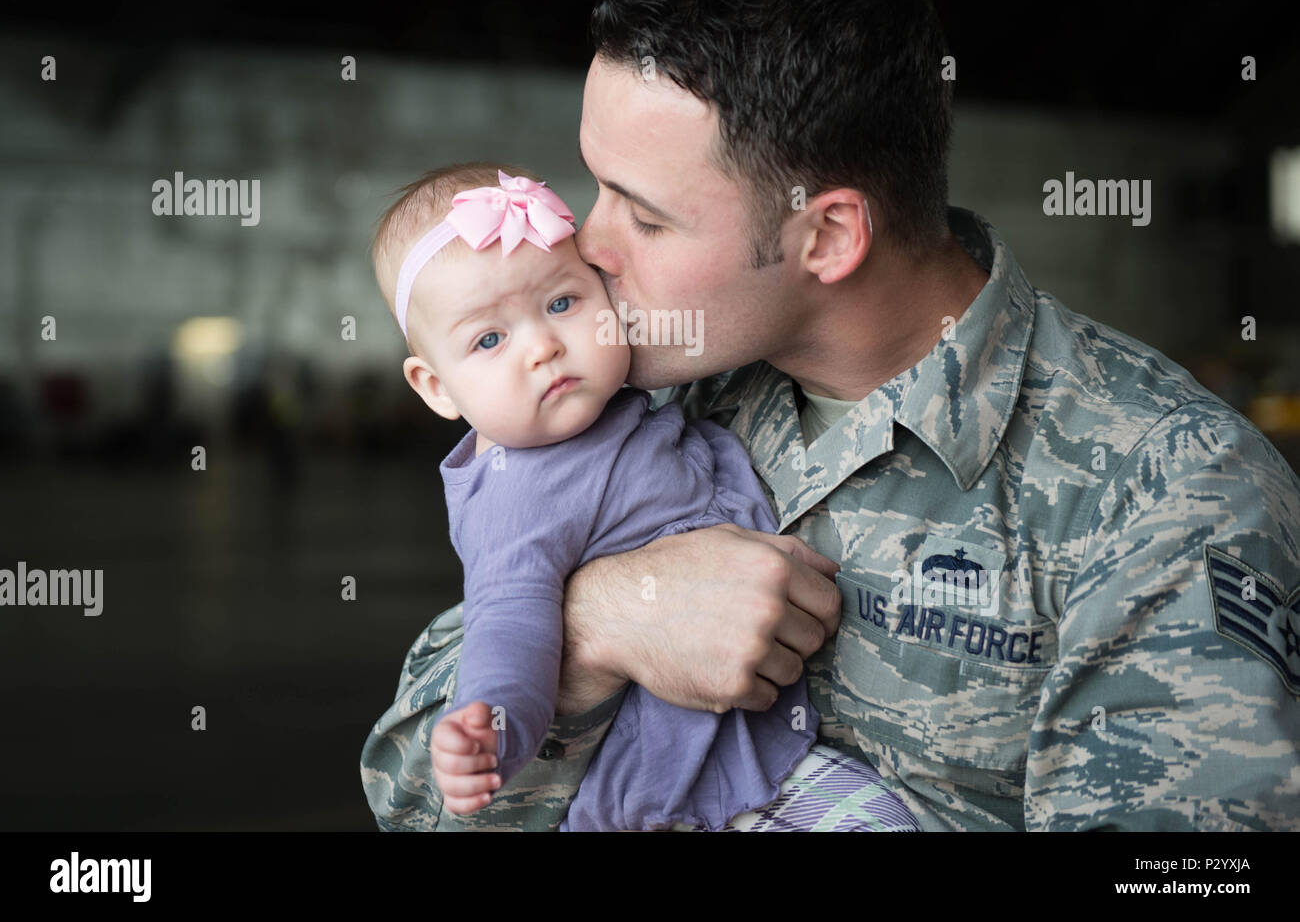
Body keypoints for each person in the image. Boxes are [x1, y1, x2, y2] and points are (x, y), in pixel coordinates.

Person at [361, 0, 1300, 831]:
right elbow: (412, 795)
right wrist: (601, 629)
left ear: (829, 237)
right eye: (593, 187)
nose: (587, 247)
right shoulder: (646, 387)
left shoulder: (1168, 492)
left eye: (644, 218)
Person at [362, 162, 920, 831]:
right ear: (436, 388)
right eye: (489, 339)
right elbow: (509, 626)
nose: (543, 346)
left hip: (751, 749)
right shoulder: (514, 495)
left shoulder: (638, 394)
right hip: (676, 790)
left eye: (562, 303)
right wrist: (490, 731)